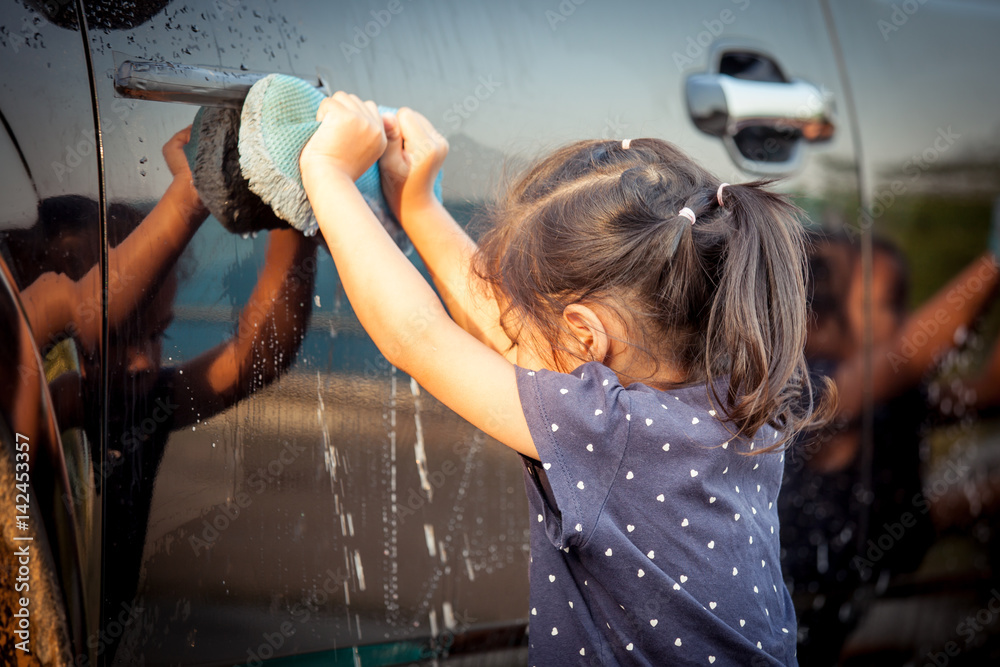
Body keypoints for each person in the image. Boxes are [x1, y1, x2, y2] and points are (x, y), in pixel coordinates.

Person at [298, 93, 834, 665]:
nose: (510, 324)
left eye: (525, 307)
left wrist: (329, 176)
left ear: (584, 336)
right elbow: (507, 334)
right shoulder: (739, 396)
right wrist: (418, 205)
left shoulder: (610, 431)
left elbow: (419, 337)